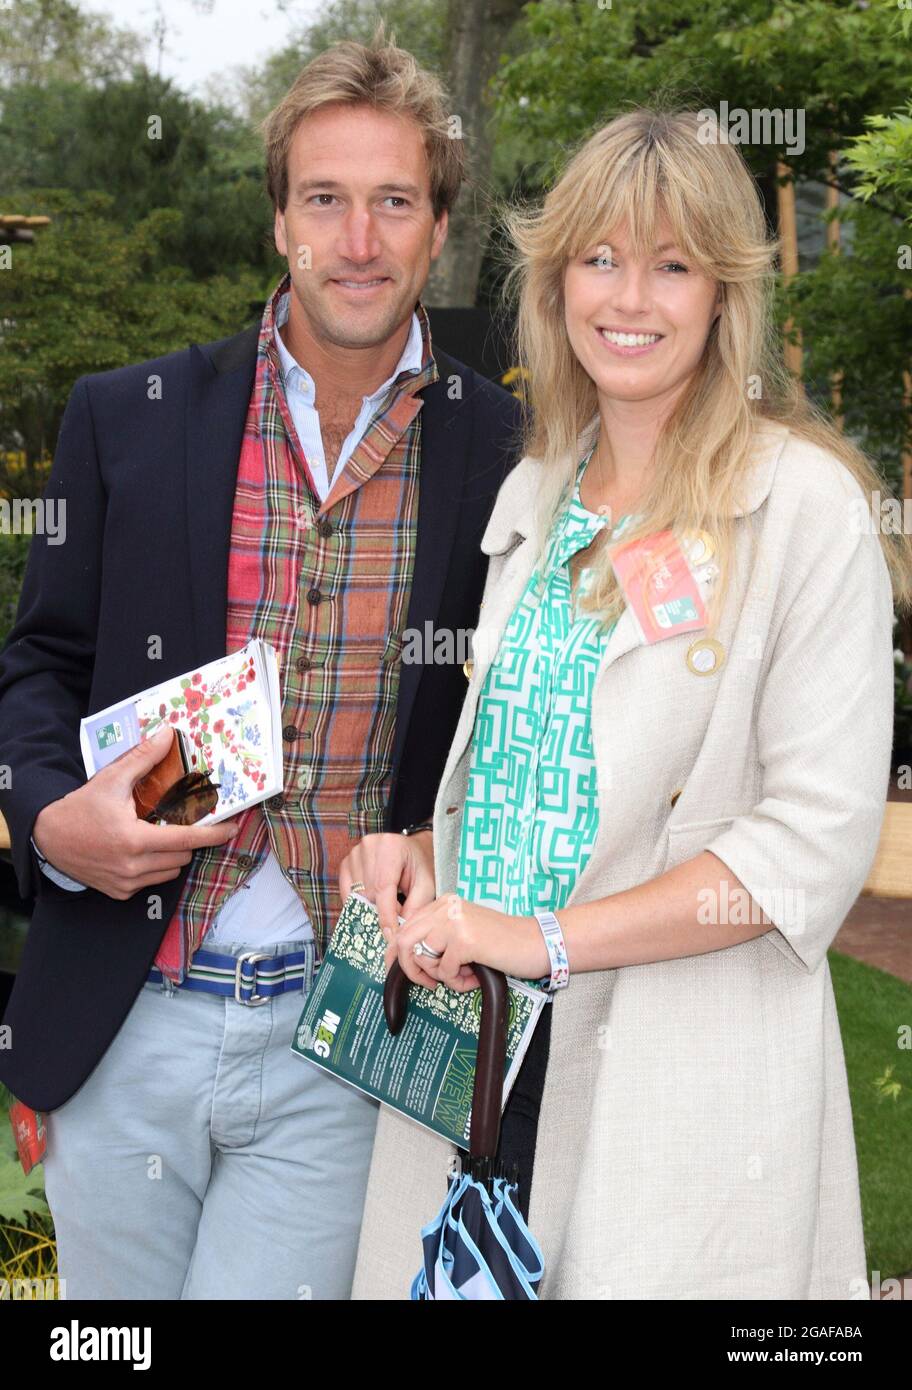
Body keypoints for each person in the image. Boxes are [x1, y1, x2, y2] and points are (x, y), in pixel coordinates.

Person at [347, 108, 912, 1300]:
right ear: (557, 287)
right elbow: (520, 759)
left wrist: (543, 938)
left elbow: (807, 845)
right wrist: (422, 857)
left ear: (722, 294)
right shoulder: (538, 492)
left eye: (671, 264)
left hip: (680, 1075)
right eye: (600, 258)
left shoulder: (802, 509)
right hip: (486, 1056)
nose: (630, 298)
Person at [0, 28, 521, 1299]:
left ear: (438, 223)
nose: (358, 239)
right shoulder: (128, 419)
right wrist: (48, 825)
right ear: (279, 219)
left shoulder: (506, 447)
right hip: (126, 1019)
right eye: (325, 199)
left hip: (340, 1039)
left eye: (394, 201)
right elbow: (34, 670)